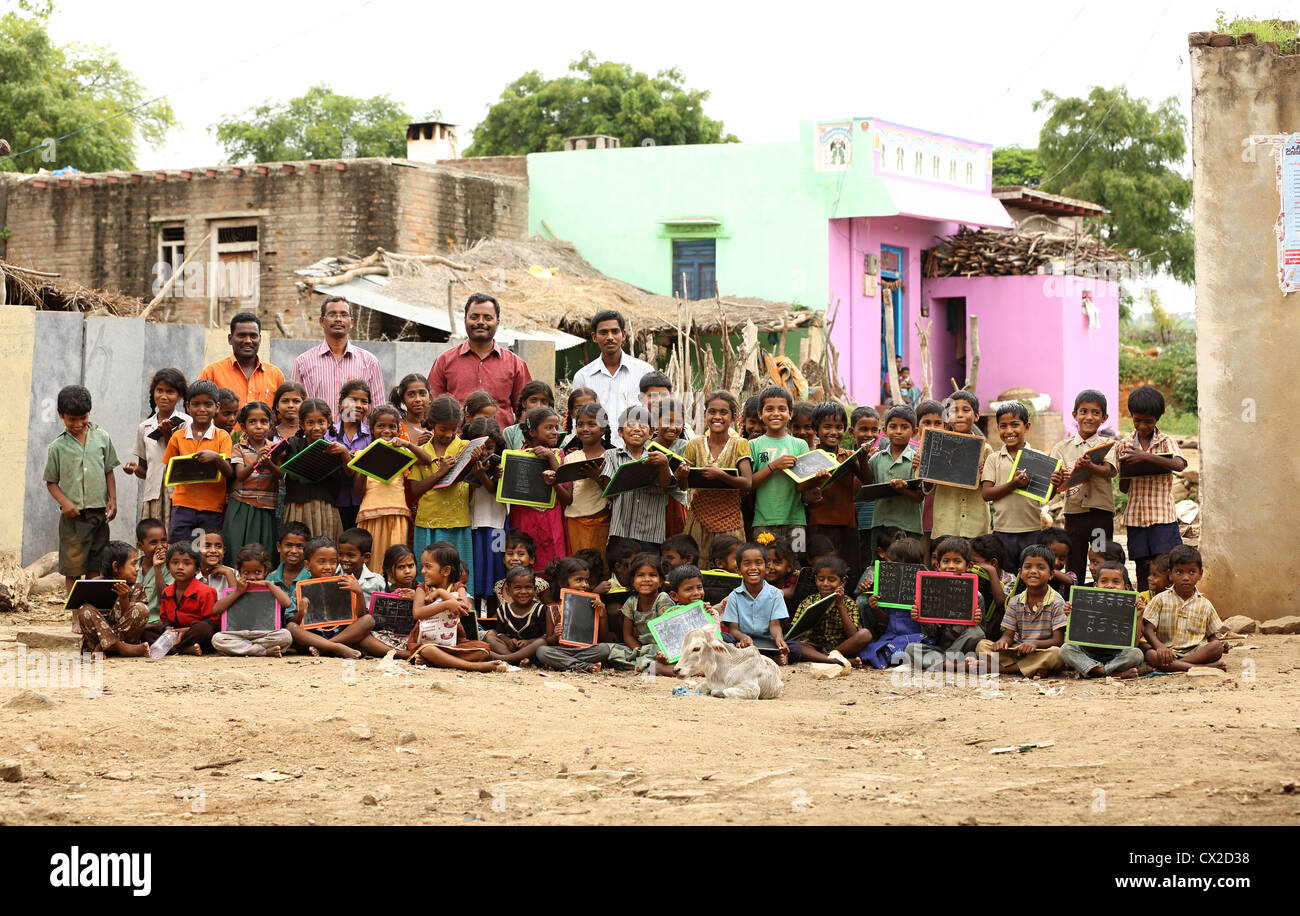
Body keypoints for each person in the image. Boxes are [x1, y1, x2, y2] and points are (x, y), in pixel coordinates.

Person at [45, 384, 119, 593]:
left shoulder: (102, 438)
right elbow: (51, 482)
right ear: (61, 416)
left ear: (89, 413)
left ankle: (91, 610)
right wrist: (65, 503)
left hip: (99, 514)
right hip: (73, 519)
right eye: (72, 419)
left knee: (96, 564)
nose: (78, 424)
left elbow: (109, 471)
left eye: (83, 418)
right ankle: (76, 614)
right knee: (73, 568)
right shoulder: (57, 447)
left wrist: (113, 500)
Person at [427, 293, 531, 426]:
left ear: (497, 322)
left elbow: (526, 410)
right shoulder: (445, 360)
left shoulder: (516, 364)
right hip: (455, 443)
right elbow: (432, 406)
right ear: (465, 319)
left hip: (500, 443)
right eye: (474, 317)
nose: (481, 322)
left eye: (488, 318)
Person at [1119, 385, 1187, 592]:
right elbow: (1123, 488)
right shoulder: (1125, 445)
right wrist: (1128, 468)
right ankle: (1144, 611)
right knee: (1141, 567)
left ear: (1157, 419)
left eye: (1148, 421)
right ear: (1131, 416)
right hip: (1136, 518)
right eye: (1137, 420)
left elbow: (1180, 465)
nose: (1142, 426)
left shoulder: (1166, 442)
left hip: (1162, 517)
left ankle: (1168, 607)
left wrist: (1145, 457)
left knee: (1166, 566)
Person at [1048, 389, 1119, 583]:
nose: (1089, 417)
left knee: (1101, 559)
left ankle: (1101, 595)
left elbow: (1107, 471)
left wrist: (1090, 466)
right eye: (1084, 411)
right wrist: (1058, 478)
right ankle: (1073, 602)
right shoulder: (1061, 448)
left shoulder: (1108, 444)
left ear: (1104, 418)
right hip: (1075, 515)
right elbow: (1053, 484)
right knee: (1075, 562)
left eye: (1095, 413)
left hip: (1100, 515)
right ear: (1075, 415)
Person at [408, 395, 477, 583]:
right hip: (427, 523)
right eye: (442, 429)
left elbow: (471, 480)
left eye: (453, 429)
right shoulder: (421, 451)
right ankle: (427, 610)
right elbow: (414, 490)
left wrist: (478, 463)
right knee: (428, 576)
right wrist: (440, 473)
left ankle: (461, 610)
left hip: (458, 523)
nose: (448, 434)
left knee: (458, 576)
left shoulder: (465, 448)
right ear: (431, 424)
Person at [408, 543, 504, 671]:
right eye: (423, 566)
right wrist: (447, 604)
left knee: (483, 649)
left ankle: (437, 661)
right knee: (427, 649)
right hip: (426, 639)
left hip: (454, 640)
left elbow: (464, 609)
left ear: (446, 570)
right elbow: (417, 613)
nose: (422, 571)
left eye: (428, 566)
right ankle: (473, 666)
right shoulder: (422, 588)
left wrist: (441, 593)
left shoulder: (458, 587)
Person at [160, 379, 233, 547]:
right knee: (179, 550)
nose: (202, 409)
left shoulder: (222, 436)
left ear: (217, 407)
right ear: (187, 406)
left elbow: (229, 473)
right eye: (196, 404)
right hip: (182, 505)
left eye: (208, 404)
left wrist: (216, 458)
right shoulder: (178, 436)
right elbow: (170, 467)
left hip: (212, 507)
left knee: (207, 552)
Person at [680, 391, 751, 560]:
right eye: (712, 412)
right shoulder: (694, 444)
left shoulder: (739, 444)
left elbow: (747, 482)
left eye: (723, 412)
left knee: (730, 567)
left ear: (733, 417)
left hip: (730, 519)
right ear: (705, 414)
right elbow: (683, 486)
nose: (717, 416)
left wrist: (720, 475)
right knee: (698, 567)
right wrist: (682, 475)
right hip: (699, 517)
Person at [974, 545, 1065, 676]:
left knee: (1057, 654)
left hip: (1041, 651)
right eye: (1028, 567)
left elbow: (1058, 640)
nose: (1033, 571)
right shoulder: (1015, 601)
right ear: (1020, 573)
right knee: (982, 646)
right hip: (1017, 651)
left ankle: (1004, 669)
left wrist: (1034, 644)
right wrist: (1002, 643)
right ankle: (1032, 668)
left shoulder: (1056, 601)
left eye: (1040, 567)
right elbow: (1008, 635)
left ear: (1051, 574)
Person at [269, 398, 348, 544]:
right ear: (302, 424)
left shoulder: (336, 448)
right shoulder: (293, 444)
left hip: (325, 507)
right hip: (298, 505)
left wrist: (344, 453)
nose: (316, 427)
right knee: (297, 548)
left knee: (324, 549)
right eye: (310, 423)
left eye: (321, 422)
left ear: (329, 423)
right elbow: (291, 476)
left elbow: (349, 474)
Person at [355, 405, 427, 565]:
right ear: (372, 429)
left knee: (396, 561)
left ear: (398, 429)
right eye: (380, 426)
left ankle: (394, 590)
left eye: (392, 426)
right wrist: (363, 468)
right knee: (372, 560)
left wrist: (407, 444)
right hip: (370, 515)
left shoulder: (402, 453)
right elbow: (359, 492)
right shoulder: (362, 454)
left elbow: (426, 460)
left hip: (397, 514)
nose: (386, 431)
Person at [599, 405, 674, 556]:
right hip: (621, 530)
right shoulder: (611, 455)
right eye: (631, 424)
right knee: (621, 573)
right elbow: (609, 491)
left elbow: (666, 484)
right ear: (620, 432)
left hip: (651, 532)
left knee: (648, 572)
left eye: (643, 425)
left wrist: (664, 464)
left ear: (651, 434)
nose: (637, 429)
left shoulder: (659, 457)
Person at [902, 536, 987, 671]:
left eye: (957, 561)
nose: (951, 566)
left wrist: (977, 621)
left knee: (976, 633)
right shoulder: (930, 593)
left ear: (969, 566)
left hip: (963, 647)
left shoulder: (977, 597)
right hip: (939, 647)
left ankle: (940, 664)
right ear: (938, 565)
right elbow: (932, 634)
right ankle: (953, 665)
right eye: (946, 561)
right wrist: (921, 619)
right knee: (910, 648)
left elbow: (980, 633)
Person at [570, 310, 654, 447]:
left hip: (637, 454)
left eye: (615, 331)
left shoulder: (645, 371)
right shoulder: (583, 376)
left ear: (624, 335)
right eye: (603, 332)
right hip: (597, 456)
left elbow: (654, 413)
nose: (610, 337)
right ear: (594, 337)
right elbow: (577, 419)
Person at [1142, 545, 1229, 672]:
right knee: (1151, 654)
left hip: (1195, 652)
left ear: (1200, 574)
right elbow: (1148, 630)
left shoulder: (1205, 604)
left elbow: (1211, 636)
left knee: (1216, 647)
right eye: (1179, 572)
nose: (1186, 577)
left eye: (1192, 572)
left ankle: (1175, 666)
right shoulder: (1160, 599)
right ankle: (1202, 668)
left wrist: (1221, 644)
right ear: (1170, 574)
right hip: (1167, 652)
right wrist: (1160, 647)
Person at [291, 296, 385, 411]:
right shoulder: (303, 362)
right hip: (317, 429)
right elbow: (296, 409)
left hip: (358, 429)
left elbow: (378, 410)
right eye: (332, 314)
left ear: (351, 322)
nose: (338, 319)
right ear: (321, 321)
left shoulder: (370, 362)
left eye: (344, 315)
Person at [748, 385, 815, 546]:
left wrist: (817, 479)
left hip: (796, 520)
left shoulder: (800, 445)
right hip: (763, 521)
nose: (776, 414)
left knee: (796, 565)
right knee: (765, 565)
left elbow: (802, 486)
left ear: (790, 414)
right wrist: (774, 466)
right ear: (760, 413)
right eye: (769, 409)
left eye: (782, 409)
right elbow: (749, 483)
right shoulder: (753, 445)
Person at [123, 368, 189, 529]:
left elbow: (181, 460)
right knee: (152, 540)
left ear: (180, 396)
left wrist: (167, 435)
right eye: (159, 390)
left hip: (177, 495)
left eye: (170, 391)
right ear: (153, 393)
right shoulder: (144, 427)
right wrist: (134, 469)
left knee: (174, 540)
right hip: (153, 496)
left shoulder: (186, 423)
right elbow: (145, 471)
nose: (164, 396)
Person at [803, 401, 862, 576]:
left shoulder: (849, 456)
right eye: (827, 427)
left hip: (847, 526)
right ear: (815, 429)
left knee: (848, 571)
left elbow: (867, 478)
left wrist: (862, 458)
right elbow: (800, 490)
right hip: (818, 526)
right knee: (822, 572)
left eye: (839, 427)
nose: (833, 432)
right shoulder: (809, 457)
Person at [925, 391, 992, 542]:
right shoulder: (936, 448)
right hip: (945, 526)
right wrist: (924, 469)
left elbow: (991, 490)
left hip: (976, 527)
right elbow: (928, 488)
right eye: (954, 411)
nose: (959, 415)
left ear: (976, 416)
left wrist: (984, 475)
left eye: (966, 410)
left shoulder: (986, 450)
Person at [721, 541, 802, 666]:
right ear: (738, 569)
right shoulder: (734, 596)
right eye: (747, 564)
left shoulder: (775, 594)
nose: (753, 568)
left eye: (758, 563)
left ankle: (763, 658)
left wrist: (779, 639)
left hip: (768, 644)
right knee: (724, 638)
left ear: (767, 566)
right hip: (743, 644)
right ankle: (768, 660)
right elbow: (733, 629)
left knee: (796, 648)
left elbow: (775, 625)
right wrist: (742, 637)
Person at [980, 401, 1042, 565]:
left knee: (1029, 575)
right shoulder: (993, 459)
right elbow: (986, 494)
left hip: (1032, 529)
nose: (1009, 431)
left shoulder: (1038, 458)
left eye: (1015, 425)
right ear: (997, 428)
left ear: (1026, 426)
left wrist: (1056, 484)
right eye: (1003, 426)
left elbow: (1046, 495)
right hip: (1002, 531)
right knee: (1006, 579)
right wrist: (1013, 485)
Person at [1059, 560, 1144, 679]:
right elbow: (1076, 638)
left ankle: (1094, 671)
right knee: (1065, 650)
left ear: (1126, 588)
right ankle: (1108, 673)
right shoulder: (1086, 603)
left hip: (1117, 656)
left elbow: (1133, 644)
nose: (1109, 585)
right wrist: (1072, 615)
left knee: (1136, 654)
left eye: (1116, 582)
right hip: (1089, 654)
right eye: (1103, 581)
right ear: (1095, 585)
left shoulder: (1131, 607)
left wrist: (1139, 616)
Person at [222, 400, 281, 564]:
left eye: (264, 421)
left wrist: (269, 463)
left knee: (264, 551)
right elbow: (240, 475)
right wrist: (257, 460)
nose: (259, 426)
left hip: (266, 508)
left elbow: (281, 475)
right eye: (252, 422)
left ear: (270, 425)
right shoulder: (238, 448)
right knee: (237, 548)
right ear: (243, 426)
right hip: (241, 506)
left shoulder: (275, 448)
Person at [210, 544, 294, 658]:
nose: (252, 577)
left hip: (264, 635)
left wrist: (269, 584)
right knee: (217, 639)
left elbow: (287, 603)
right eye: (246, 572)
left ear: (265, 571)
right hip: (239, 635)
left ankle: (243, 649)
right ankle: (263, 651)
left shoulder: (271, 588)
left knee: (286, 636)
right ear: (239, 572)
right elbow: (215, 610)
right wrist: (238, 592)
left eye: (258, 572)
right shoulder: (238, 589)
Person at [511, 406, 568, 568]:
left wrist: (550, 457)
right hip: (525, 516)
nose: (555, 432)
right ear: (532, 432)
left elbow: (563, 481)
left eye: (556, 427)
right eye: (549, 427)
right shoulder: (516, 457)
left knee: (553, 559)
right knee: (525, 556)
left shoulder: (558, 455)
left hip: (552, 516)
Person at [862, 405, 923, 555]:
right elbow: (868, 494)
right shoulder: (876, 459)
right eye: (893, 426)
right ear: (884, 430)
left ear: (914, 432)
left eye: (904, 427)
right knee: (878, 568)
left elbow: (919, 497)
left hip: (909, 527)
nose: (898, 431)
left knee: (907, 568)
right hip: (880, 525)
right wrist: (861, 459)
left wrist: (904, 490)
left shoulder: (917, 460)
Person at [72, 541, 149, 657]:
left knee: (142, 609)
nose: (137, 569)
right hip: (97, 638)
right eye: (133, 564)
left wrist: (124, 599)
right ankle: (120, 647)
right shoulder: (95, 584)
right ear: (116, 567)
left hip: (124, 638)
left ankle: (106, 647)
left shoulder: (136, 587)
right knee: (84, 610)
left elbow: (131, 618)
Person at [792, 555, 872, 667]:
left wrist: (840, 606)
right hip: (814, 647)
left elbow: (853, 635)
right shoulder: (809, 602)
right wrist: (807, 616)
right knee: (793, 645)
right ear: (816, 579)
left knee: (865, 634)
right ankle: (835, 661)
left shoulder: (848, 603)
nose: (825, 584)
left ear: (842, 582)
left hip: (841, 648)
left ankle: (828, 657)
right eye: (821, 579)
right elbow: (795, 635)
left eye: (831, 580)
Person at [558, 402, 611, 566]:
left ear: (602, 429)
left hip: (601, 522)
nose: (585, 429)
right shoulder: (571, 458)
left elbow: (615, 496)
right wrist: (554, 484)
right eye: (580, 425)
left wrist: (597, 477)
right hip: (575, 523)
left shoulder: (611, 457)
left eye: (591, 424)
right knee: (578, 567)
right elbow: (568, 499)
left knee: (599, 566)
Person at [143, 543, 219, 656]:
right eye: (175, 563)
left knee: (204, 630)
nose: (180, 567)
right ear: (168, 568)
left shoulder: (207, 591)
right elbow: (165, 618)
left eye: (187, 563)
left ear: (197, 569)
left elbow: (213, 622)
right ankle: (184, 649)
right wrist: (167, 627)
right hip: (174, 634)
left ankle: (174, 648)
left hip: (193, 633)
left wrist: (186, 631)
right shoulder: (166, 592)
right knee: (146, 631)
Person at [535, 558, 610, 672]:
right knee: (542, 651)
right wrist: (556, 635)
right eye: (579, 580)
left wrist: (603, 616)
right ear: (562, 583)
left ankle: (566, 664)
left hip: (585, 651)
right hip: (562, 651)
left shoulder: (593, 605)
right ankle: (585, 666)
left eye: (586, 580)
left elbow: (602, 639)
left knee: (604, 649)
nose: (585, 585)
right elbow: (549, 641)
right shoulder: (552, 609)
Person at [606, 553, 676, 674]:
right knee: (607, 650)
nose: (646, 579)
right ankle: (645, 665)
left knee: (650, 659)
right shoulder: (631, 602)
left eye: (652, 575)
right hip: (642, 649)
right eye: (640, 575)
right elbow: (627, 635)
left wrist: (653, 654)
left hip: (662, 649)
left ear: (661, 582)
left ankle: (653, 667)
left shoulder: (662, 599)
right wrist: (638, 651)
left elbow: (668, 636)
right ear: (633, 581)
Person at [198, 312, 286, 408]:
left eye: (253, 336)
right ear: (230, 339)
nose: (248, 340)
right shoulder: (211, 373)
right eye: (241, 335)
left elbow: (281, 415)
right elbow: (198, 409)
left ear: (260, 339)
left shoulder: (276, 375)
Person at [463, 416, 507, 606]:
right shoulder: (465, 463)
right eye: (481, 448)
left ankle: (494, 613)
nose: (485, 453)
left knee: (497, 567)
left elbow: (493, 490)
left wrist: (484, 474)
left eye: (489, 448)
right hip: (475, 525)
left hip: (498, 524)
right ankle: (478, 617)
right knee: (478, 569)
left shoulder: (502, 466)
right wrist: (477, 472)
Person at [484, 564, 549, 666]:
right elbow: (501, 633)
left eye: (528, 587)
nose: (523, 592)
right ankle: (517, 660)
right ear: (508, 591)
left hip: (530, 649)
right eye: (517, 588)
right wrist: (509, 641)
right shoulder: (503, 609)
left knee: (541, 643)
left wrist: (528, 642)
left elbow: (546, 636)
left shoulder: (540, 609)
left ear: (535, 590)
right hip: (510, 649)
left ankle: (506, 659)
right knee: (490, 638)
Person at [332, 379, 373, 530]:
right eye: (353, 400)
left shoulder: (371, 436)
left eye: (364, 401)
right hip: (334, 501)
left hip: (364, 502)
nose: (359, 405)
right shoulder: (328, 434)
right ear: (341, 403)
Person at [850, 406, 881, 565]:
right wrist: (864, 460)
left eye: (874, 430)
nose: (869, 435)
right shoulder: (848, 457)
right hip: (856, 524)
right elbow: (854, 490)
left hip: (876, 524)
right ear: (851, 431)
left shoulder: (882, 457)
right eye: (863, 429)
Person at [336, 528, 387, 606]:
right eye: (340, 554)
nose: (344, 559)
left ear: (366, 557)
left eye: (351, 555)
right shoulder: (333, 575)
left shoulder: (377, 582)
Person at [501, 381, 555, 451]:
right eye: (533, 400)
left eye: (544, 401)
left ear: (549, 405)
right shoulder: (510, 432)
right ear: (524, 403)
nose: (538, 406)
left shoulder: (556, 431)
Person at [135, 517, 171, 624]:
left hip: (156, 621)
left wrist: (157, 568)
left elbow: (164, 598)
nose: (160, 547)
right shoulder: (133, 565)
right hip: (133, 621)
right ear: (140, 546)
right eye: (153, 543)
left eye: (164, 541)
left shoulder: (170, 567)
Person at [389, 373, 433, 447]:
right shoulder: (396, 427)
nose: (418, 399)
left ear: (430, 397)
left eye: (422, 394)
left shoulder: (437, 427)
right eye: (411, 395)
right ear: (403, 399)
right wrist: (416, 447)